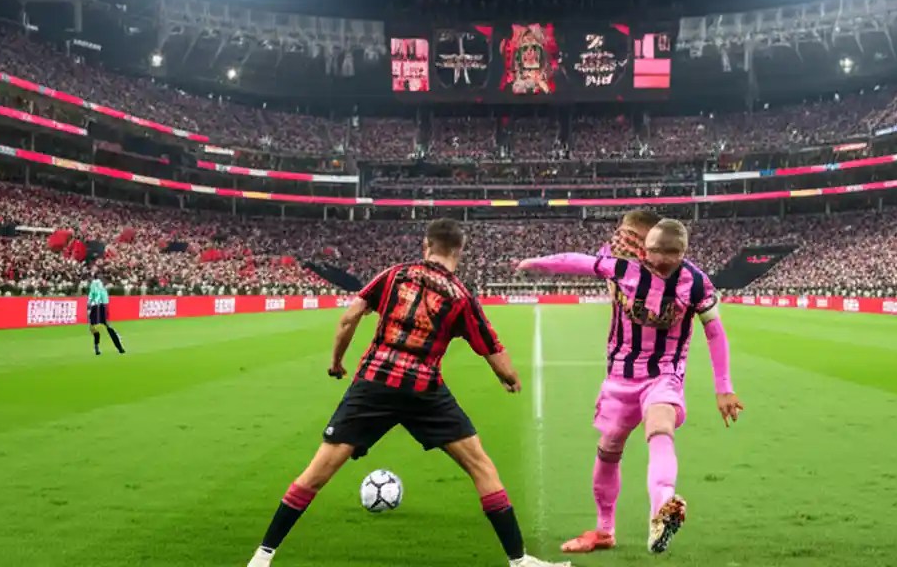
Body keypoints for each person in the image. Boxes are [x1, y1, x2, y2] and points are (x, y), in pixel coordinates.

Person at [246, 219, 569, 567]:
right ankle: (519, 561)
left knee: (317, 472)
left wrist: (337, 361)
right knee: (481, 467)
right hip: (424, 391)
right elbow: (495, 352)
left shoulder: (395, 275)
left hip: (374, 384)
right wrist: (508, 377)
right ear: (458, 252)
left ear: (425, 245)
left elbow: (349, 317)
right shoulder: (461, 296)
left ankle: (262, 557)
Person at [516, 218, 744, 555]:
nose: (661, 260)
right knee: (608, 450)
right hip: (620, 379)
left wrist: (723, 387)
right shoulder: (624, 269)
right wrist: (537, 262)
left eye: (670, 254)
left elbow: (715, 331)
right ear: (645, 249)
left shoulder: (696, 283)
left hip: (663, 374)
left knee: (660, 427)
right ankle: (605, 530)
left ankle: (662, 511)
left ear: (683, 252)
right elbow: (578, 262)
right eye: (654, 252)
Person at [87, 275, 125, 356]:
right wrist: (106, 313)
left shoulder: (93, 286)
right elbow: (105, 301)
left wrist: (88, 310)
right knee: (108, 326)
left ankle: (96, 346)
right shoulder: (102, 289)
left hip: (94, 307)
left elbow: (90, 299)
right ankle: (120, 348)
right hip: (102, 307)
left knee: (92, 328)